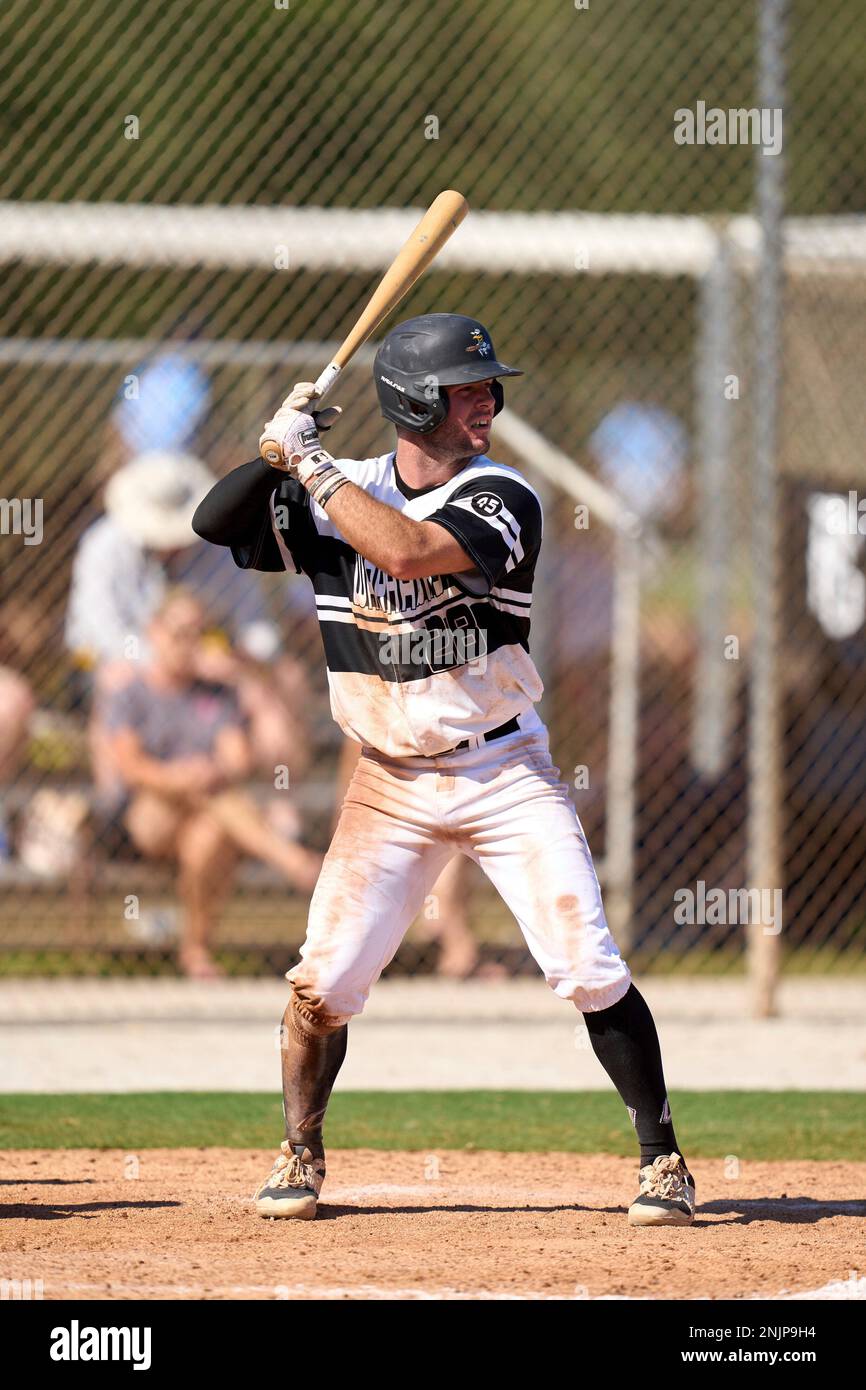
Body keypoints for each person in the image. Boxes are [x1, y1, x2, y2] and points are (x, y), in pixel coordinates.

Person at [193, 313, 694, 1226]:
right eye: (467, 392)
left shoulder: (503, 494)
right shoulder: (336, 491)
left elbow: (406, 550)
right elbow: (212, 521)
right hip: (386, 779)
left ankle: (663, 1160)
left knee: (586, 964)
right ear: (411, 401)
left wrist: (308, 464)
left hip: (502, 766)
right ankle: (300, 1152)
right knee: (325, 981)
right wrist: (273, 445)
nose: (487, 405)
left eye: (488, 390)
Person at [102, 588, 321, 978]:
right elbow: (130, 767)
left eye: (196, 634)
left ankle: (196, 951)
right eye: (178, 633)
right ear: (153, 631)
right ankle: (293, 860)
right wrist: (178, 777)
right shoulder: (131, 692)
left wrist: (207, 771)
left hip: (207, 813)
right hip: (148, 815)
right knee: (208, 798)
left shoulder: (216, 693)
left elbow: (237, 758)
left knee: (208, 835)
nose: (188, 645)